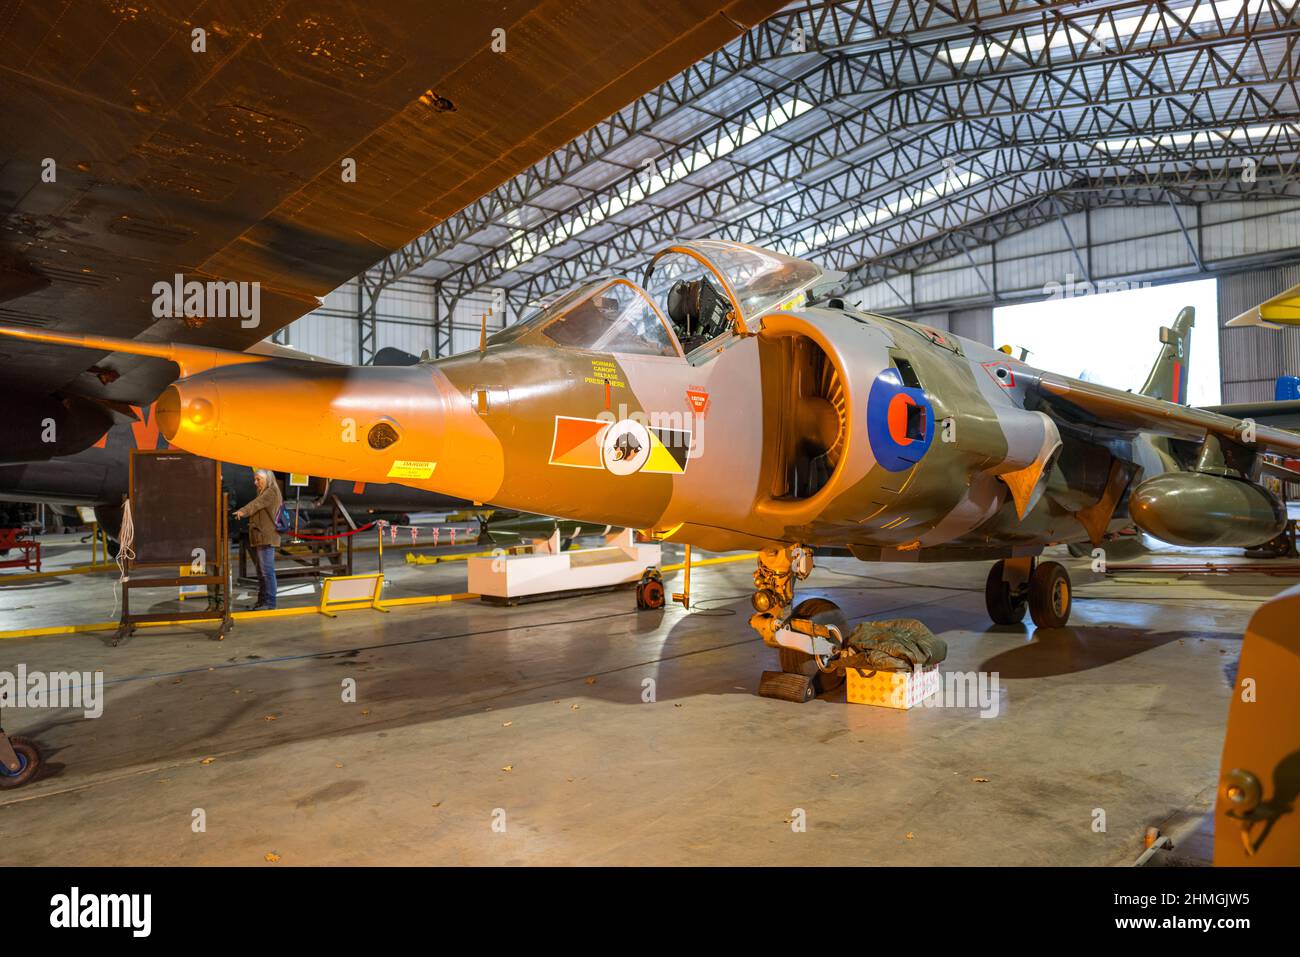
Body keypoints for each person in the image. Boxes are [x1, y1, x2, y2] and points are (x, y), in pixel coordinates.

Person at [233, 468, 282, 610]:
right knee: (262, 571)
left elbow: (256, 504)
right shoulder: (264, 491)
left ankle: (270, 603)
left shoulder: (271, 491)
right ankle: (262, 601)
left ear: (267, 479)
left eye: (258, 479)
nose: (255, 483)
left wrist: (243, 511)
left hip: (267, 537)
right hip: (261, 536)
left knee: (267, 571)